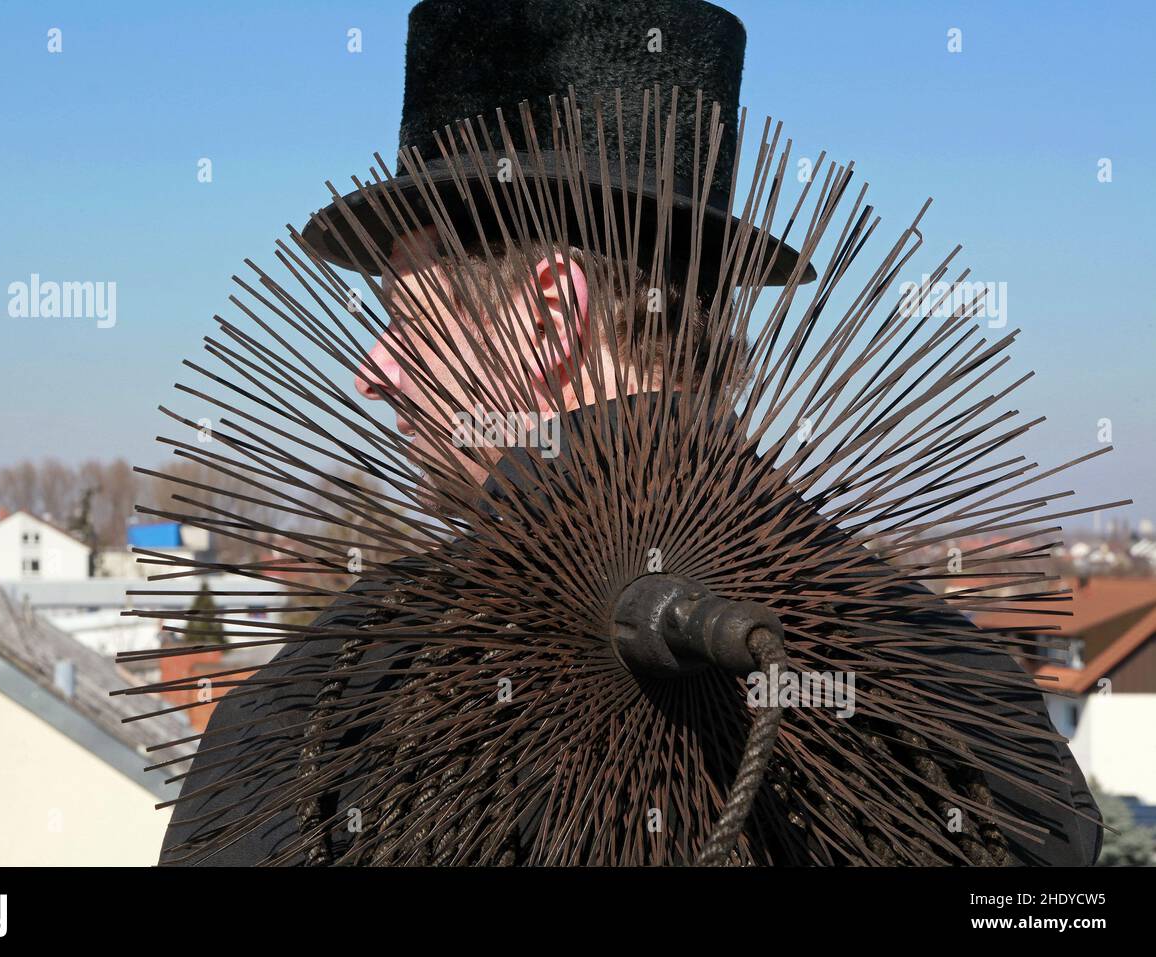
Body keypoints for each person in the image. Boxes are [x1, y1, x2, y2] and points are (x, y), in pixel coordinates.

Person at [159, 0, 1100, 866]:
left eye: (406, 319)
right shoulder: (973, 712)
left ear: (549, 314)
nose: (375, 371)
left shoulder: (327, 723)